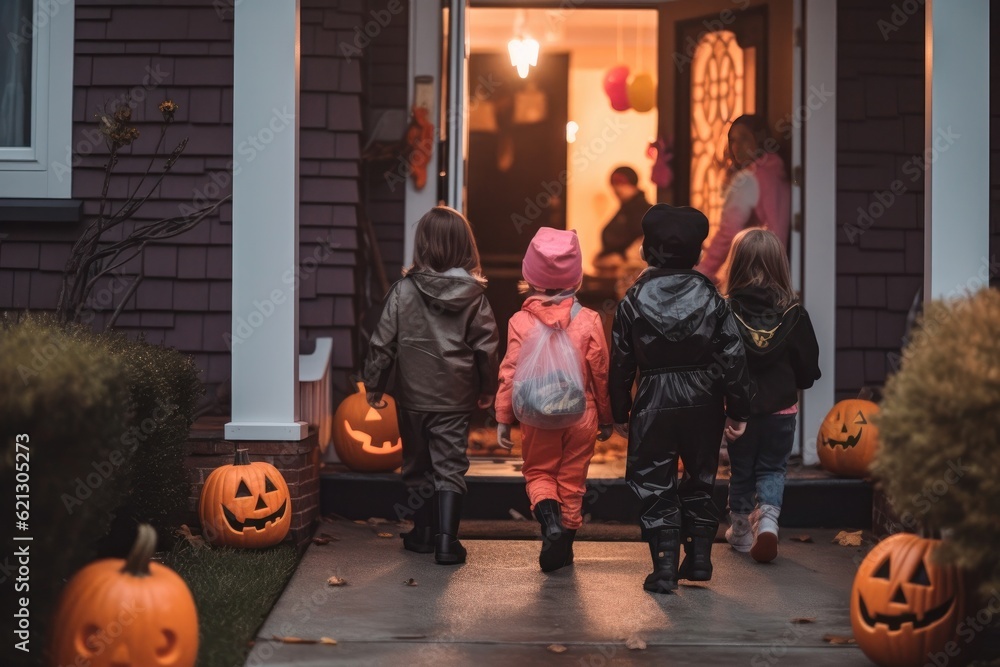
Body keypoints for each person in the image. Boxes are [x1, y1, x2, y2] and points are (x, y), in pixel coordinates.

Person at [610, 203, 752, 594]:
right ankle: (701, 556)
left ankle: (665, 566)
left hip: (654, 396)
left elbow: (621, 360)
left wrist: (618, 408)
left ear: (645, 250)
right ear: (697, 254)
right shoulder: (712, 297)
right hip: (704, 399)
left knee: (654, 478)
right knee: (700, 476)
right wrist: (738, 409)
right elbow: (733, 356)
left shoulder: (633, 299)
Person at [362, 206, 499, 566]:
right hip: (454, 398)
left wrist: (374, 385)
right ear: (466, 247)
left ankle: (421, 534)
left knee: (417, 465)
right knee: (450, 466)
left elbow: (381, 342)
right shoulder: (475, 297)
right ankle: (445, 543)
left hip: (412, 398)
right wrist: (488, 388)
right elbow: (487, 348)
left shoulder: (402, 291)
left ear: (421, 246)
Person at [495, 227, 614, 573]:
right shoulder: (589, 319)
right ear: (576, 280)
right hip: (581, 413)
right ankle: (565, 549)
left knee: (539, 473)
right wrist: (607, 418)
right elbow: (601, 373)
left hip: (536, 413)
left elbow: (510, 371)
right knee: (572, 482)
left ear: (529, 278)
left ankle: (550, 524)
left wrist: (504, 417)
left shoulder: (519, 321)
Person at [722, 228, 821, 563]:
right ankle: (767, 522)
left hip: (741, 413)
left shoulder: (726, 312)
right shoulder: (794, 313)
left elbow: (718, 360)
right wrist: (801, 381)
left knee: (742, 470)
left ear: (735, 265)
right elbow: (807, 364)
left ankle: (739, 530)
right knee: (772, 469)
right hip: (782, 410)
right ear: (780, 265)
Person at [696, 115, 791, 285]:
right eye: (732, 140)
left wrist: (703, 271)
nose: (737, 147)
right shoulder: (777, 172)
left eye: (745, 138)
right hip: (781, 272)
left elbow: (728, 232)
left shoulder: (749, 178)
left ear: (759, 140)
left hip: (757, 277)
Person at [594, 166, 652, 270]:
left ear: (632, 183)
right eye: (613, 184)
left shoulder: (645, 211)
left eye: (621, 183)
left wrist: (623, 258)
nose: (616, 188)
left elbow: (643, 244)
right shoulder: (624, 210)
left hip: (633, 274)